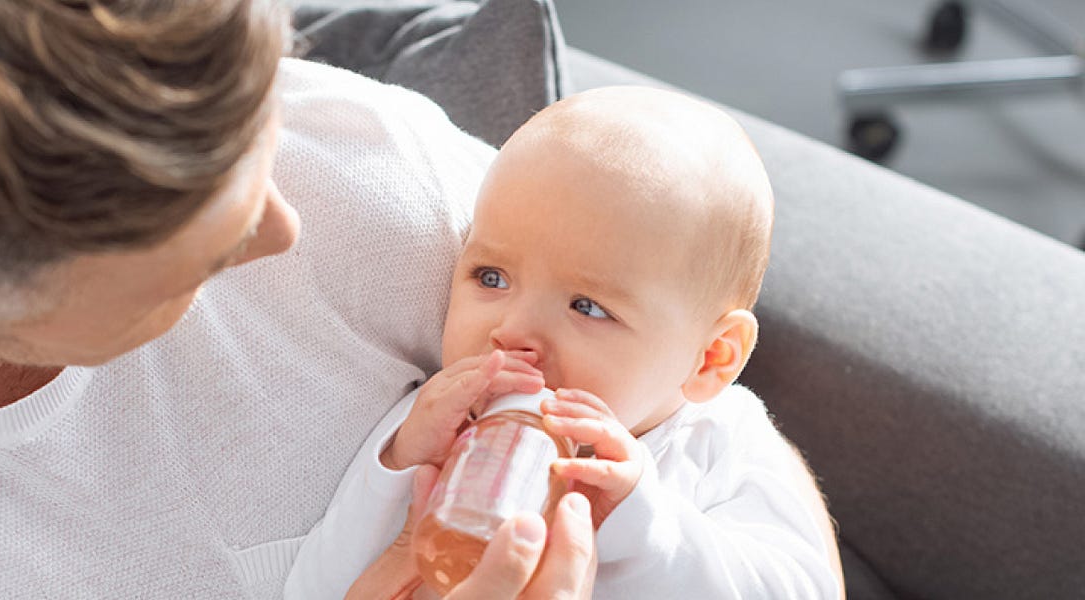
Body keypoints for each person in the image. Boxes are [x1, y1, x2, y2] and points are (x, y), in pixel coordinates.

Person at [0, 1, 823, 598]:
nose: (286, 229)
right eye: (196, 245)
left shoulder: (363, 164)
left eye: (256, 137)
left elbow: (695, 398)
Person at [285, 87, 843, 598]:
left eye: (588, 307)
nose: (513, 331)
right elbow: (308, 590)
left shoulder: (722, 444)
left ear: (710, 359)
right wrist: (399, 464)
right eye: (491, 277)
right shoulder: (438, 429)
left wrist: (643, 528)